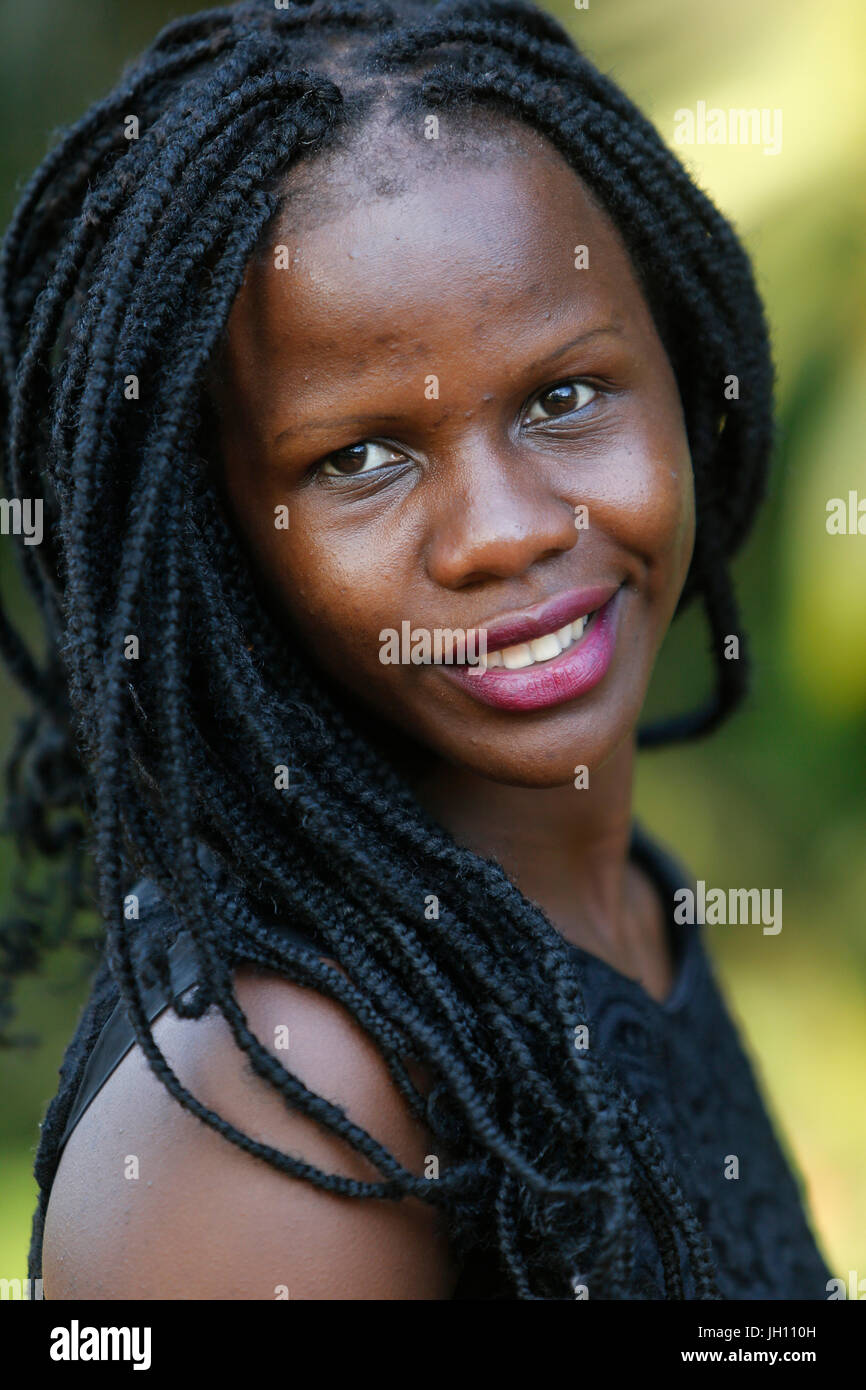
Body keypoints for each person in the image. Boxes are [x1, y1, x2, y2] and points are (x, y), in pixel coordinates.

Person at [0, 0, 831, 1299]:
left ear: (683, 360)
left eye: (562, 397)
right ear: (219, 532)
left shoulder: (619, 909)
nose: (500, 536)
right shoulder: (286, 1104)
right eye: (360, 459)